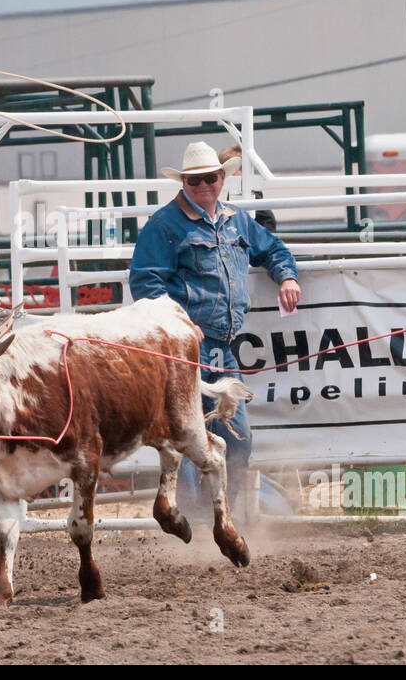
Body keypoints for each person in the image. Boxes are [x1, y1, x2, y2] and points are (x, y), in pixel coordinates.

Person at [128, 141, 301, 520]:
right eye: (195, 181)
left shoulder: (235, 221)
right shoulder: (164, 226)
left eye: (210, 178)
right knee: (191, 436)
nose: (204, 186)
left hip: (223, 347)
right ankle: (201, 519)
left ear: (222, 178)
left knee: (236, 438)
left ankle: (222, 511)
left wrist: (286, 276)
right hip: (184, 349)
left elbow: (272, 249)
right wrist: (180, 322)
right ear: (185, 183)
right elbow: (145, 283)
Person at [218, 143, 277, 232]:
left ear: (242, 170)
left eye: (230, 170)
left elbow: (268, 220)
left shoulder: (252, 194)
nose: (226, 175)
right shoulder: (233, 191)